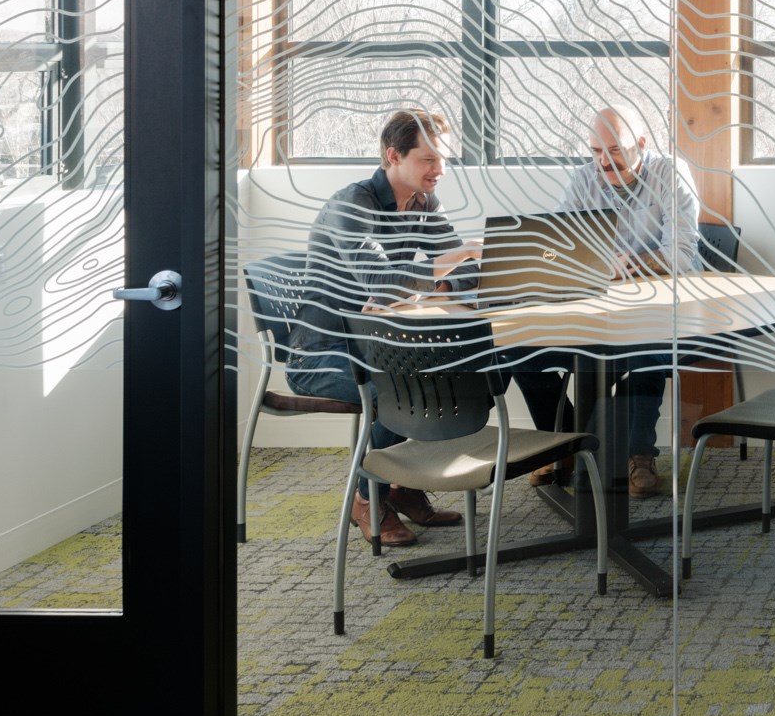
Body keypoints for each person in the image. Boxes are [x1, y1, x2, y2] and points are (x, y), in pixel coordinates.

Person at [286, 109, 479, 546]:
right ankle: (364, 498)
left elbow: (469, 270)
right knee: (397, 392)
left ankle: (401, 487)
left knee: (439, 378)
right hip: (325, 354)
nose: (440, 170)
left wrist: (445, 273)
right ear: (393, 155)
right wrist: (444, 268)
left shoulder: (425, 203)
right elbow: (380, 281)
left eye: (443, 159)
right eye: (428, 159)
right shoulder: (351, 207)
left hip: (378, 346)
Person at [510, 105, 701, 500]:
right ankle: (564, 446)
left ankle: (639, 455)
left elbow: (683, 253)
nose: (603, 161)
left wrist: (631, 266)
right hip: (598, 305)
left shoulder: (669, 173)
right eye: (595, 150)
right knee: (521, 353)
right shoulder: (584, 178)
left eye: (614, 149)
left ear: (642, 145)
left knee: (648, 347)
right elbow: (560, 245)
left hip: (659, 304)